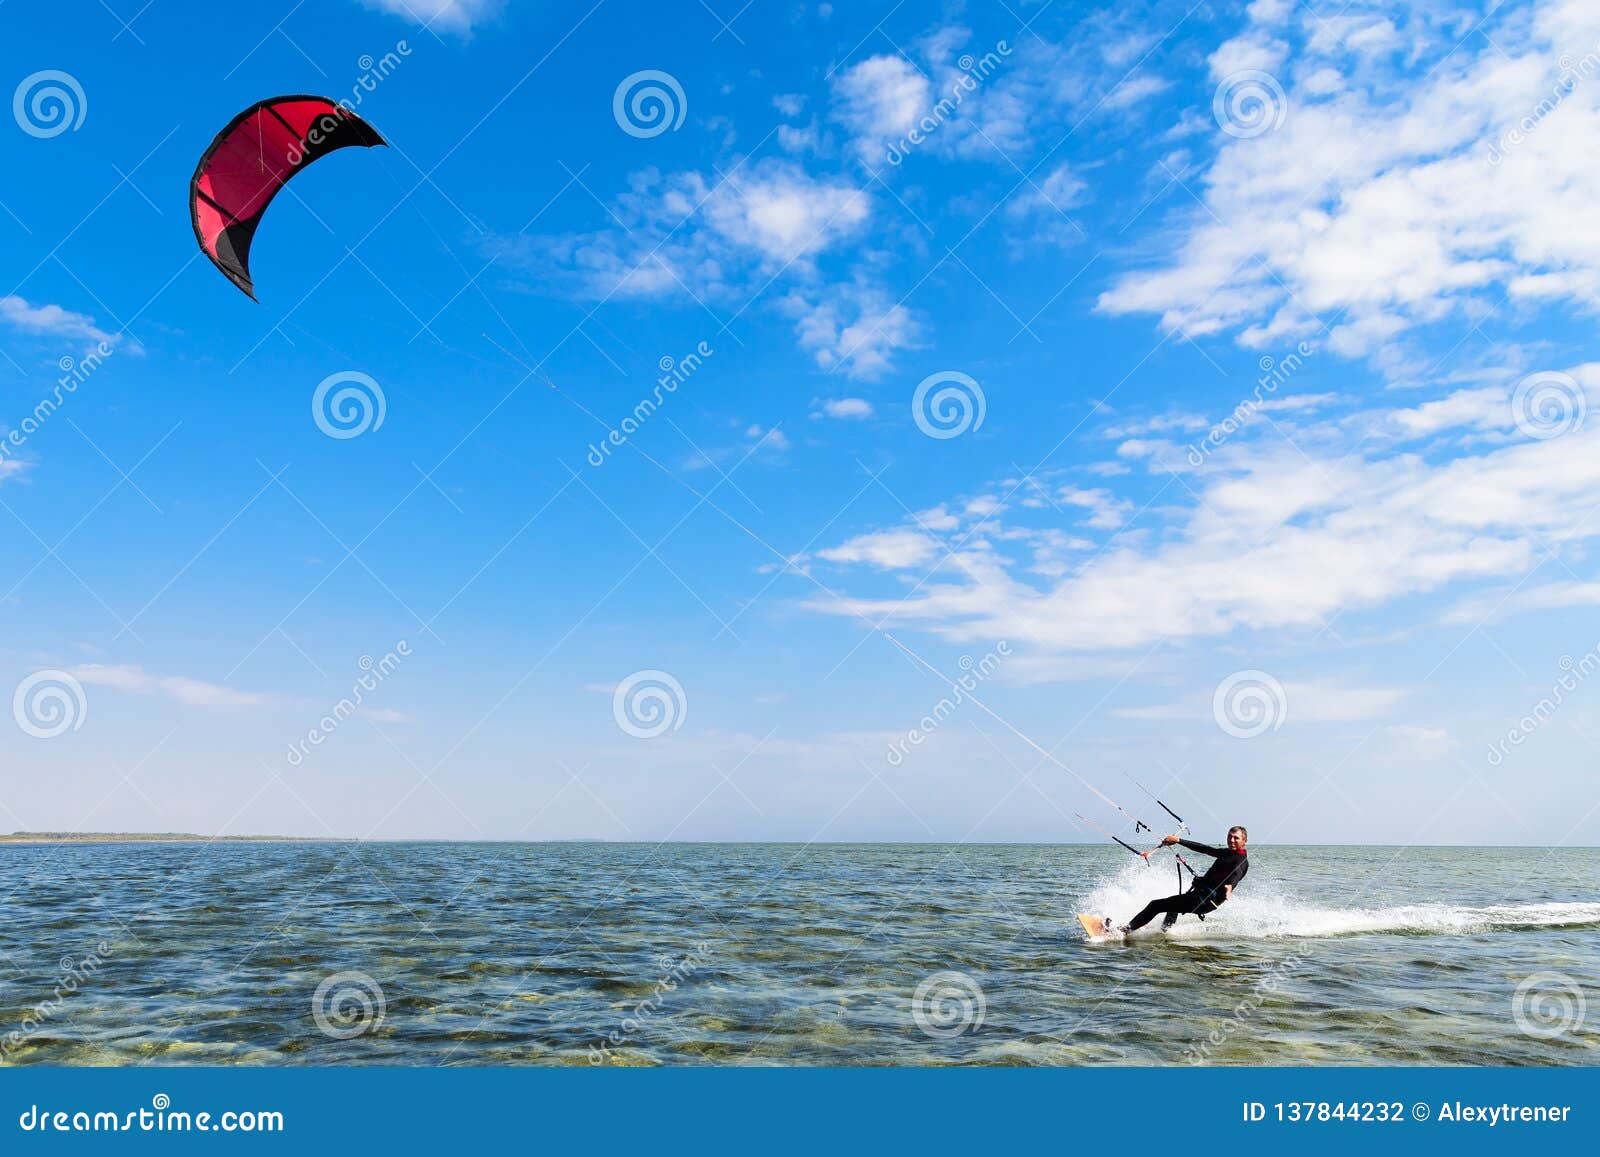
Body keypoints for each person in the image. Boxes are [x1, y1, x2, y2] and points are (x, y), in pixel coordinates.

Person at [1122, 826, 1249, 933]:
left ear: (1245, 841)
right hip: (1203, 898)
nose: (1231, 840)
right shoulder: (1228, 853)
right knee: (1172, 906)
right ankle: (1165, 932)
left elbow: (1236, 874)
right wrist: (1178, 840)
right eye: (1229, 836)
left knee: (1155, 905)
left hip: (1204, 900)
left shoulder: (1240, 860)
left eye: (1236, 838)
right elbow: (1204, 849)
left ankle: (1124, 931)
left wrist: (1230, 887)